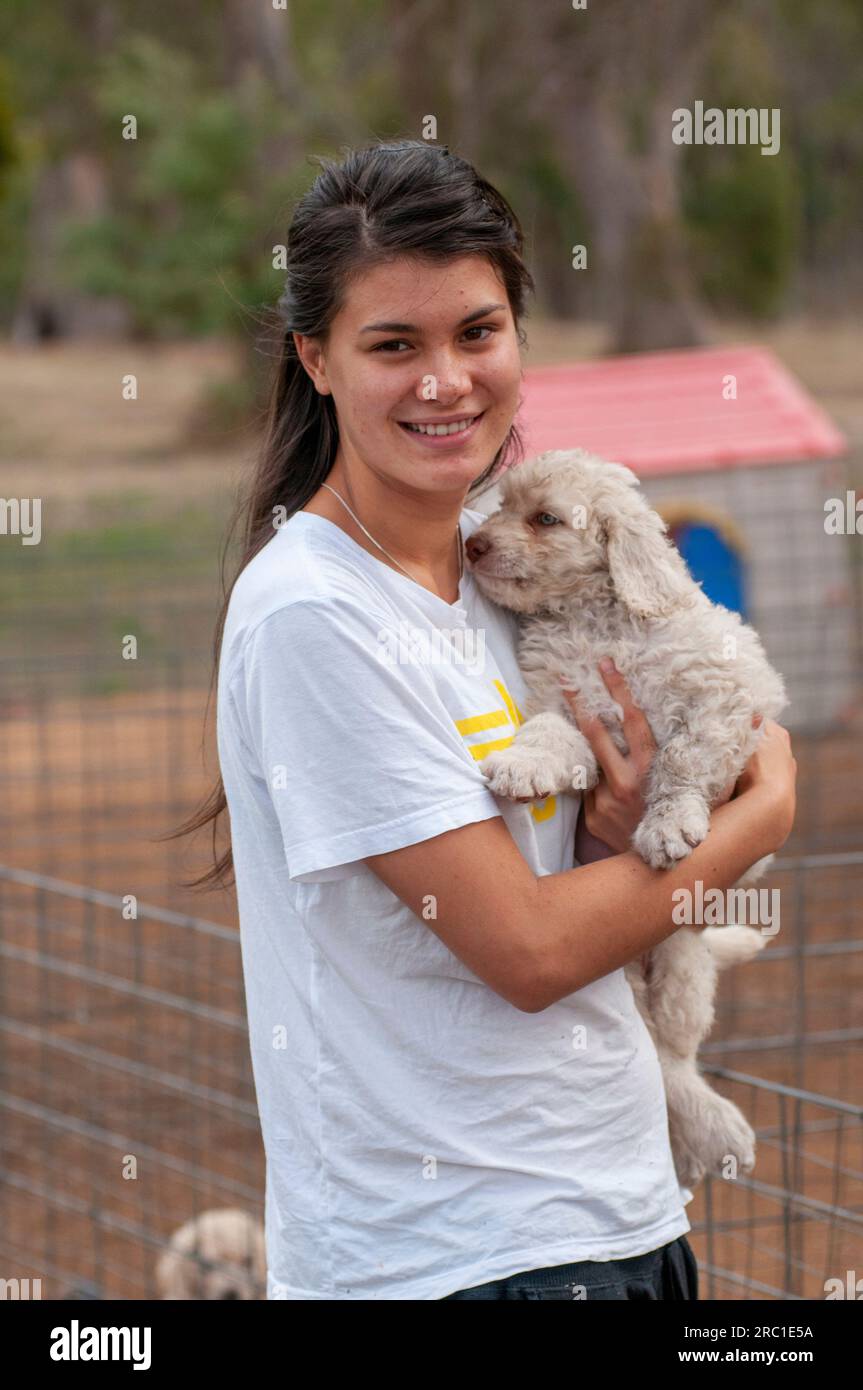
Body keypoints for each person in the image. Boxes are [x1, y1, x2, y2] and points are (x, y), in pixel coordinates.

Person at [176, 140, 797, 1301]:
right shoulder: (316, 615)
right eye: (391, 345)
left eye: (475, 332)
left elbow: (717, 700)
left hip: (614, 1206)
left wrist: (651, 813)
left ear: (518, 334)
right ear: (314, 358)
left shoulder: (511, 570)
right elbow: (528, 947)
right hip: (451, 1252)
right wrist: (757, 823)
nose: (444, 381)